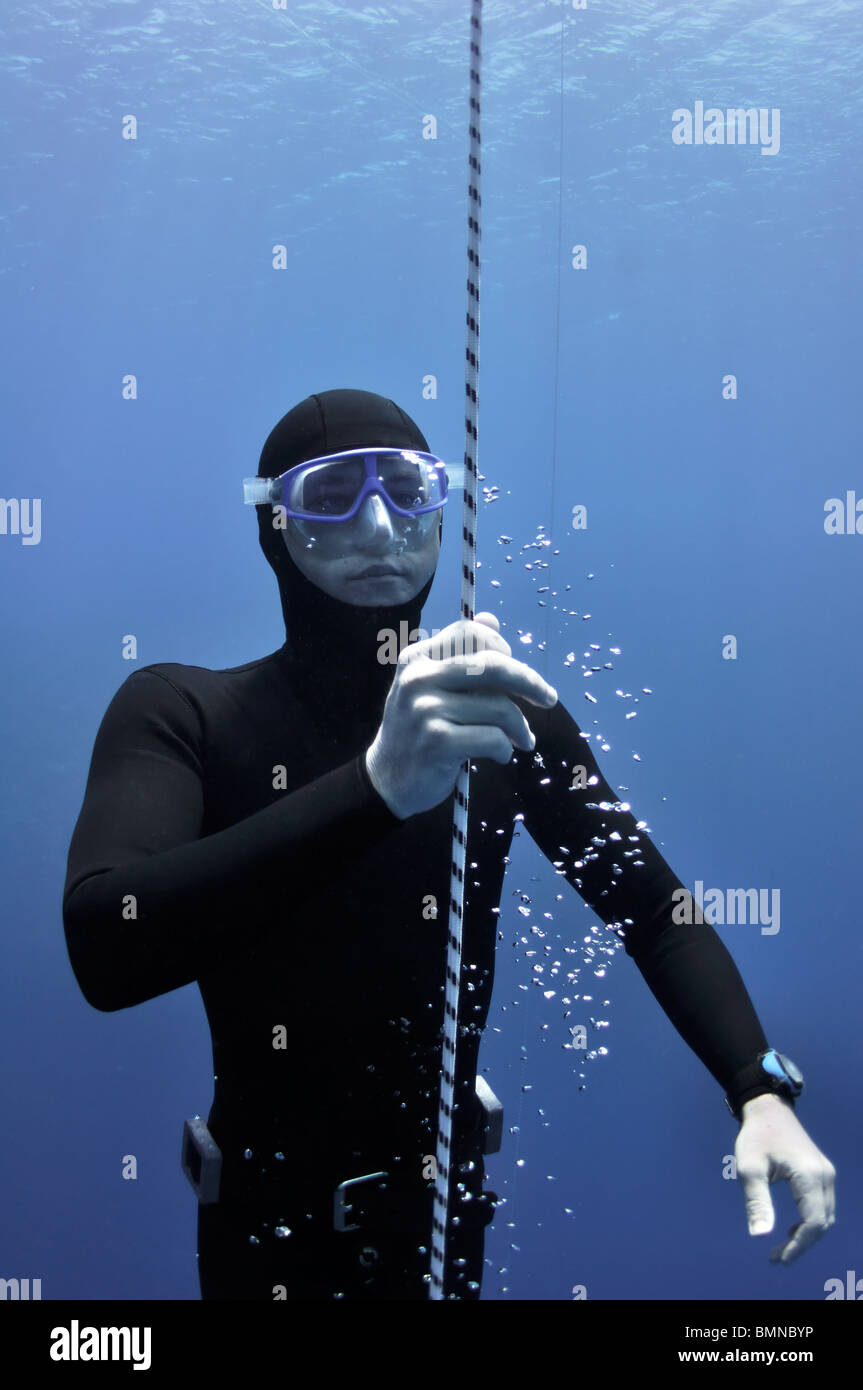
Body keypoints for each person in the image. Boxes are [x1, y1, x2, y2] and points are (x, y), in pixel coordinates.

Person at [62, 388, 835, 1301]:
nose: (380, 526)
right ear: (275, 528)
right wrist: (375, 789)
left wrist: (757, 1088)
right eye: (329, 496)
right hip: (264, 1237)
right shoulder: (182, 712)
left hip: (444, 1224)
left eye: (407, 489)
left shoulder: (502, 718)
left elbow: (653, 912)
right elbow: (107, 947)